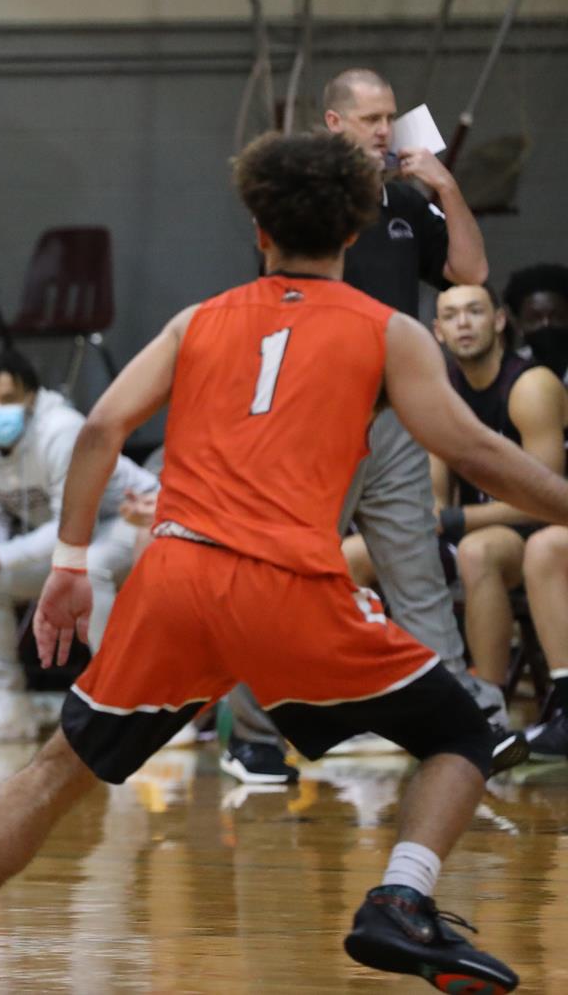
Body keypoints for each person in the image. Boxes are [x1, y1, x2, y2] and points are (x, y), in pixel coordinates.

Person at [0, 132, 568, 995]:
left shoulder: (196, 320)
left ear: (258, 228)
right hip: (285, 583)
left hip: (175, 578)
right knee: (466, 731)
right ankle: (401, 897)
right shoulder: (388, 330)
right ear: (356, 230)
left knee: (60, 767)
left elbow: (99, 431)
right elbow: (476, 451)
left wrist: (68, 563)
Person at [221, 66, 512, 786]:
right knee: (288, 572)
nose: (385, 130)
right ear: (334, 124)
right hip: (317, 421)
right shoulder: (310, 204)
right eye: (370, 118)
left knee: (415, 569)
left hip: (396, 420)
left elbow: (470, 269)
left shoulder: (410, 199)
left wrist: (444, 185)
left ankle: (458, 720)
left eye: (390, 117)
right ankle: (251, 732)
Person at [0, 346, 156, 745]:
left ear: (32, 399)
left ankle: (118, 704)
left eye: (8, 398)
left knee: (90, 567)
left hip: (134, 520)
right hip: (72, 537)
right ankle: (7, 703)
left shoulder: (62, 430)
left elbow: (71, 524)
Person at [426, 283, 568, 758]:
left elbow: (548, 498)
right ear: (437, 331)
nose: (463, 323)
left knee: (484, 548)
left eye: (474, 311)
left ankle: (494, 704)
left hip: (546, 525)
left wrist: (451, 517)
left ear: (500, 320)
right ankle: (381, 705)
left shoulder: (531, 385)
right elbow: (434, 495)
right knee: (360, 555)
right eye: (452, 315)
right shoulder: (440, 391)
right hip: (489, 527)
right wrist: (432, 518)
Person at [505, 262, 568, 380]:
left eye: (557, 316)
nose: (546, 324)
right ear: (518, 324)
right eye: (534, 318)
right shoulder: (510, 372)